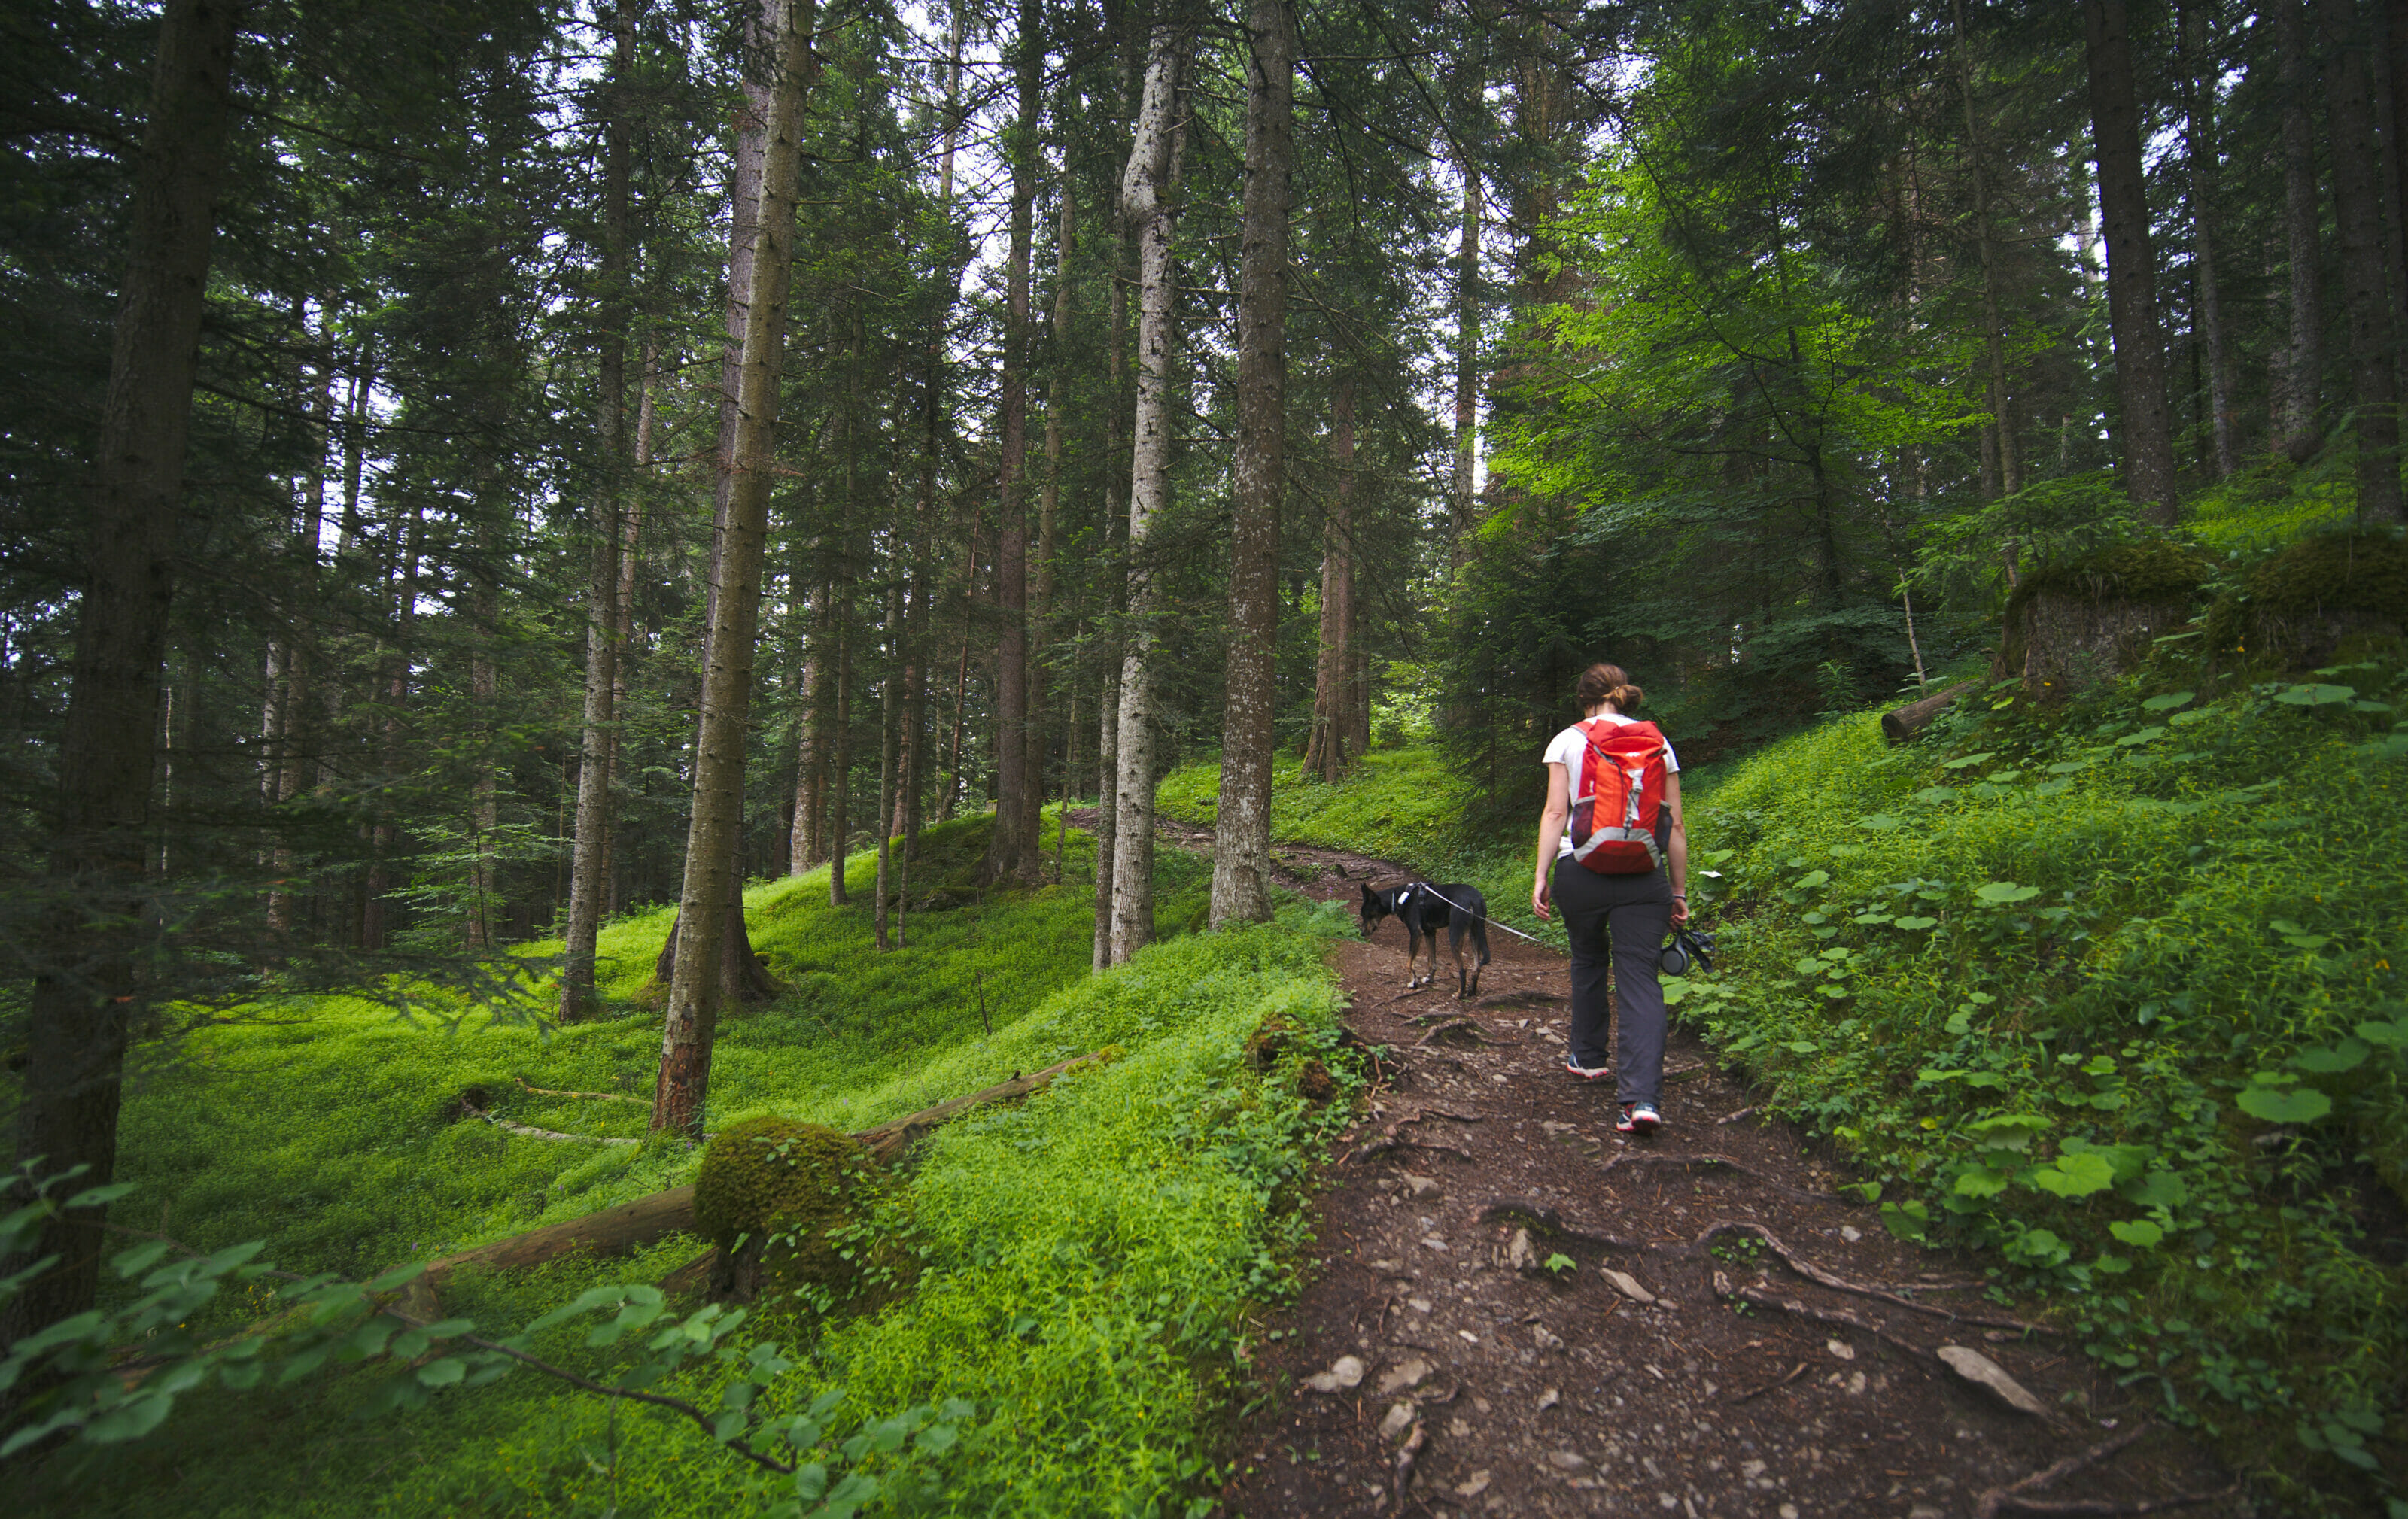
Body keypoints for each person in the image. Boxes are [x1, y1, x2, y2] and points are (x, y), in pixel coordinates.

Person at [1531, 662, 1689, 1134]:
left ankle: (1588, 1057)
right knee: (1640, 979)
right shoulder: (1657, 742)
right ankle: (1642, 1101)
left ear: (1584, 699)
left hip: (1580, 870)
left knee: (1587, 957)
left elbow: (1557, 811)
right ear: (1624, 697)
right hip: (1645, 875)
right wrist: (1677, 890)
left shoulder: (1567, 739)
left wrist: (1541, 875)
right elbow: (1675, 824)